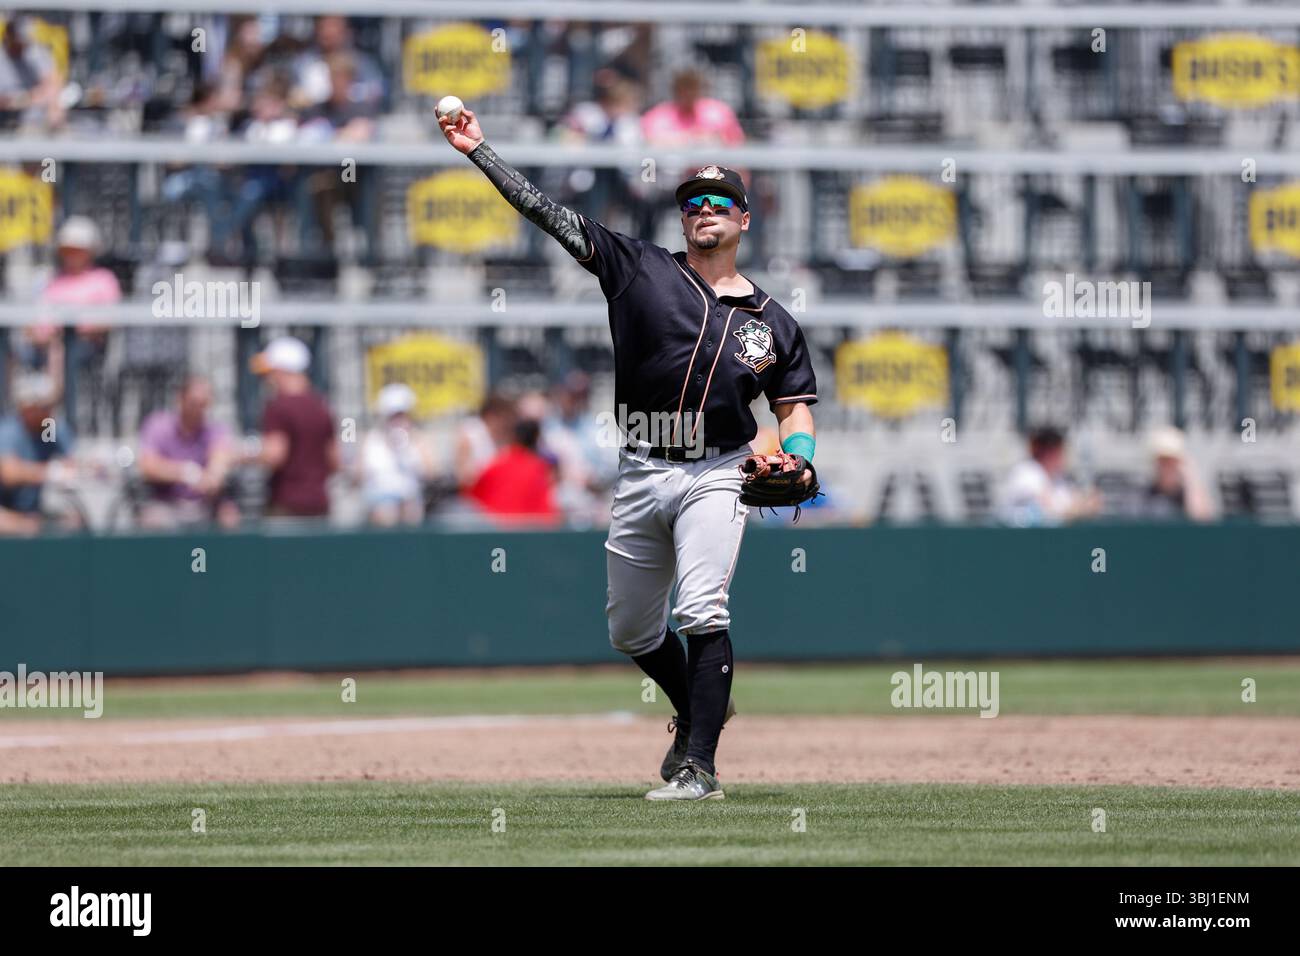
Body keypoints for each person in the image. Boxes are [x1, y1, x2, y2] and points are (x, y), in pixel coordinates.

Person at [441, 103, 818, 800]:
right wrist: (479, 150)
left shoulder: (773, 322)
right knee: (631, 629)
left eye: (720, 202)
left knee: (703, 609)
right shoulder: (638, 268)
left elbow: (793, 406)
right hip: (644, 465)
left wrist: (800, 455)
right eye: (693, 202)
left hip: (718, 469)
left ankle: (700, 766)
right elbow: (547, 213)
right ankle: (700, 706)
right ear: (683, 220)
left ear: (744, 219)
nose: (705, 209)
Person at [136, 377, 239, 529]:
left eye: (204, 404)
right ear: (180, 399)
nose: (199, 409)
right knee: (154, 520)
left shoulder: (216, 430)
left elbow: (219, 459)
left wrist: (212, 478)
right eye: (194, 403)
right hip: (166, 503)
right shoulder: (158, 425)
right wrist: (186, 472)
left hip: (205, 504)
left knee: (230, 516)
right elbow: (148, 466)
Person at [252, 336, 336, 519]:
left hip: (287, 505)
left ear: (281, 371)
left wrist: (241, 456)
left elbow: (275, 455)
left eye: (270, 372)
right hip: (320, 504)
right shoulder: (323, 407)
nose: (267, 379)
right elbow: (335, 460)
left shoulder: (278, 407)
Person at [0, 374, 74, 535]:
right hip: (6, 512)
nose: (48, 411)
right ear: (27, 409)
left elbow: (72, 464)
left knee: (73, 521)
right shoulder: (9, 430)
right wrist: (50, 472)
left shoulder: (51, 429)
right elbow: (9, 473)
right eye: (42, 407)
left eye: (49, 406)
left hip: (33, 513)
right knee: (22, 525)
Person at [361, 383, 435, 527]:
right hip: (379, 502)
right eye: (393, 416)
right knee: (386, 512)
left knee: (411, 511)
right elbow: (360, 475)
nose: (398, 420)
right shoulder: (372, 440)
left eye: (402, 415)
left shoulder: (419, 440)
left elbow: (432, 473)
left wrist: (415, 442)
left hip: (411, 502)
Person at [1000, 427, 1102, 527]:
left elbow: (1070, 504)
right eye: (1059, 451)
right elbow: (1049, 509)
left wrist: (1083, 504)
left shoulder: (1058, 480)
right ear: (1050, 452)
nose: (1064, 457)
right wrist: (1082, 508)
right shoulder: (1027, 472)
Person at [467, 416, 559, 524]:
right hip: (521, 534)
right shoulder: (540, 468)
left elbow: (472, 495)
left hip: (500, 534)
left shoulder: (497, 463)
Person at [1142, 425, 1214, 522]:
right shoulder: (1144, 495)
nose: (1166, 467)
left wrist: (1191, 480)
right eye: (1163, 461)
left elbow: (1202, 522)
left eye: (1171, 461)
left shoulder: (1188, 494)